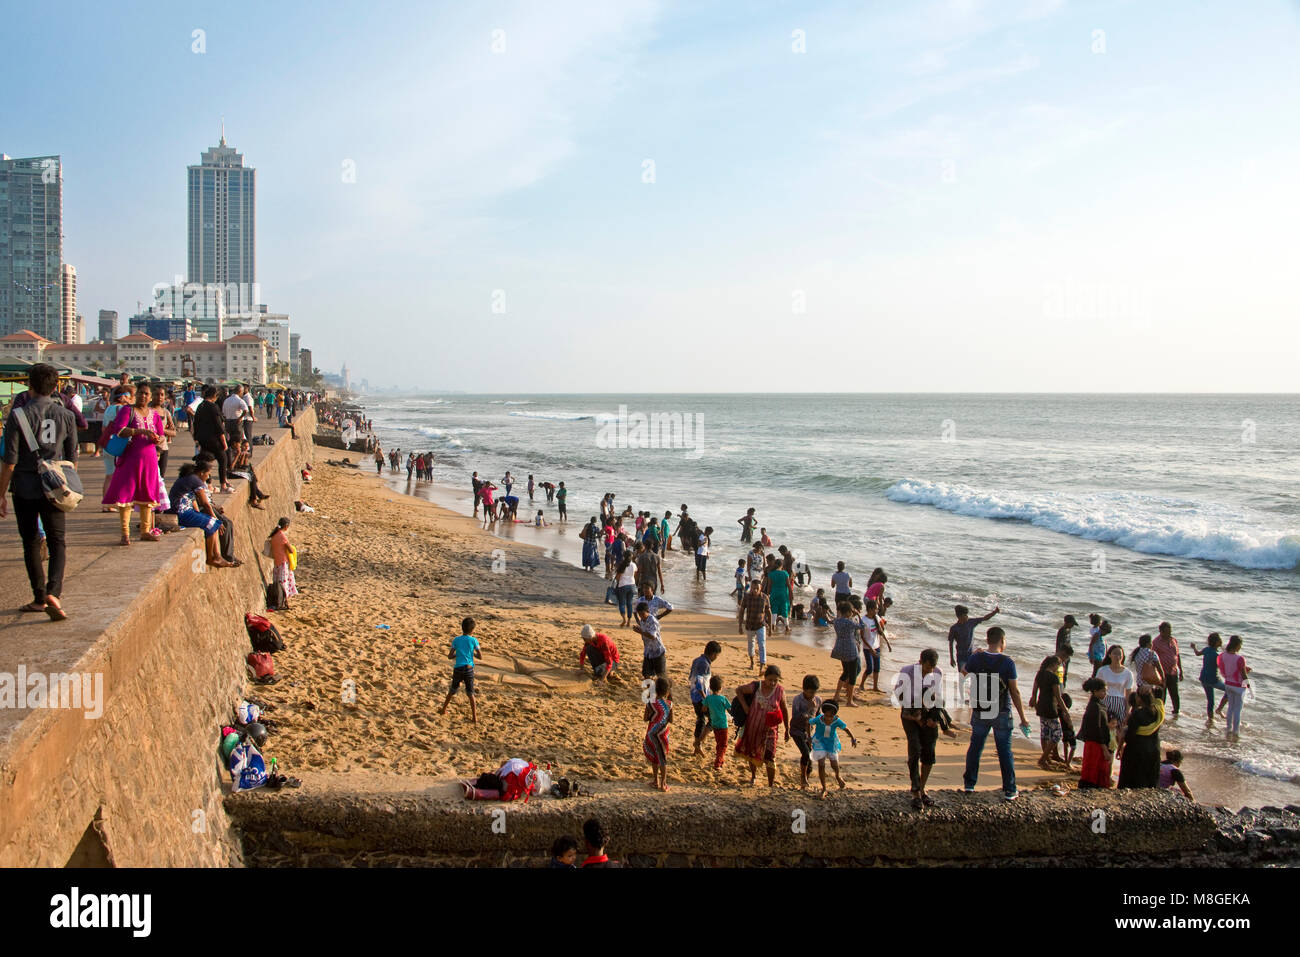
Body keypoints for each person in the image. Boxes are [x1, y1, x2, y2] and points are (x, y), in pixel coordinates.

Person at [0, 363, 77, 620]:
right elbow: (71, 458)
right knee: (58, 540)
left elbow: (9, 460)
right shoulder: (65, 415)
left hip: (24, 486)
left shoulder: (18, 415)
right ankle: (54, 592)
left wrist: (1, 494)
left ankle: (39, 597)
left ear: (29, 386)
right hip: (55, 487)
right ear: (56, 387)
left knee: (31, 541)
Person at [961, 627, 1031, 801]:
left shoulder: (977, 657)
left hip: (980, 709)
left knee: (975, 747)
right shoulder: (1008, 663)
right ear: (1002, 641)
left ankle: (969, 784)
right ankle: (1010, 789)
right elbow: (1014, 692)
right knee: (1004, 751)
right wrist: (1023, 717)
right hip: (1001, 710)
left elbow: (964, 672)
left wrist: (974, 658)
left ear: (987, 640)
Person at [103, 383, 165, 545]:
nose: (143, 396)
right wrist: (140, 431)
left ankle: (145, 531)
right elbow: (120, 430)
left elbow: (161, 433)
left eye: (146, 394)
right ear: (135, 395)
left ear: (150, 397)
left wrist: (157, 438)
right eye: (141, 393)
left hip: (149, 458)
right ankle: (125, 533)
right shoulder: (127, 411)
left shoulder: (154, 414)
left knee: (147, 493)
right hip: (130, 458)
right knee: (126, 494)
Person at [895, 649, 955, 809]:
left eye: (932, 668)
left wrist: (934, 719)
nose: (930, 671)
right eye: (928, 667)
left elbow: (939, 697)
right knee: (914, 749)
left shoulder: (938, 673)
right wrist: (915, 709)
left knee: (929, 752)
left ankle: (922, 788)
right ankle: (915, 790)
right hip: (910, 712)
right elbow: (899, 695)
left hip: (929, 712)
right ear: (920, 662)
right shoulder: (907, 671)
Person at [172, 460, 236, 568]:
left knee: (213, 523)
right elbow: (205, 504)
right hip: (181, 512)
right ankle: (211, 558)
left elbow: (193, 501)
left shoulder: (190, 478)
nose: (208, 476)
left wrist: (201, 517)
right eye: (208, 473)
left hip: (184, 510)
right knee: (212, 524)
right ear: (201, 473)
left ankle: (217, 556)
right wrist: (215, 519)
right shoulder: (196, 480)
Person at [734, 665, 789, 787]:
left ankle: (771, 785)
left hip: (770, 730)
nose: (773, 683)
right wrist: (745, 706)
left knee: (770, 757)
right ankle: (753, 776)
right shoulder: (756, 686)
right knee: (752, 753)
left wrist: (787, 728)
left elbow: (784, 709)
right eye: (770, 680)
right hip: (753, 727)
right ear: (765, 678)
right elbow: (739, 690)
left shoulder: (780, 691)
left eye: (776, 680)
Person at [1117, 688, 1165, 788]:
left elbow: (1130, 736)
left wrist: (1121, 745)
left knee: (1134, 780)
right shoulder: (1158, 712)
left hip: (1137, 750)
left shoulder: (1137, 714)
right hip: (1154, 748)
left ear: (1139, 698)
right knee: (1149, 780)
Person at [809, 700, 857, 797]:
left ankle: (838, 776)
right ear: (823, 714)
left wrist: (852, 738)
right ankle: (824, 788)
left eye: (830, 716)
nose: (828, 718)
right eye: (826, 716)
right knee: (821, 764)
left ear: (834, 716)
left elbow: (846, 729)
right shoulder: (819, 719)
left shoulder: (836, 721)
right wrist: (809, 736)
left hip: (831, 743)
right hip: (819, 742)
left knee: (834, 764)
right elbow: (809, 723)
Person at [438, 617, 482, 723]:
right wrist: (472, 653)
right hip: (469, 669)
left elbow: (450, 656)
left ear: (462, 628)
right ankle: (474, 717)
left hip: (458, 668)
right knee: (470, 693)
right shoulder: (473, 640)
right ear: (473, 630)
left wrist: (457, 654)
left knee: (452, 690)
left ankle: (443, 709)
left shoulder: (456, 640)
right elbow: (480, 656)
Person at [1077, 677, 1117, 789]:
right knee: (1094, 769)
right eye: (1103, 691)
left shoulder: (1098, 705)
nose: (1105, 693)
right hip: (1095, 744)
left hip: (1095, 743)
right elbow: (1097, 729)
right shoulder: (1095, 707)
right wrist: (1104, 748)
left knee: (1093, 769)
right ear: (1095, 691)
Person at [1029, 655, 1068, 769]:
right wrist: (1066, 711)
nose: (1058, 668)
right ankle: (1043, 759)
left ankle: (1047, 758)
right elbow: (1058, 697)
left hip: (1041, 705)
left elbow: (1034, 692)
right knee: (1057, 734)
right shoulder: (1053, 678)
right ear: (1053, 664)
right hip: (1050, 707)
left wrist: (1035, 703)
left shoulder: (1039, 674)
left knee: (1045, 733)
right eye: (1058, 665)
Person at [192, 385, 233, 493]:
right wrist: (224, 442)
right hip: (214, 439)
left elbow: (195, 423)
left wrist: (196, 439)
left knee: (207, 461)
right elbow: (218, 426)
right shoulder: (213, 407)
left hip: (202, 438)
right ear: (215, 396)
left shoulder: (200, 406)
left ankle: (208, 484)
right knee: (223, 459)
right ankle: (223, 484)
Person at [688, 641, 722, 756]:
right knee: (714, 718)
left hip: (694, 696)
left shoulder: (696, 660)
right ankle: (698, 742)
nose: (716, 658)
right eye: (717, 655)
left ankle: (698, 746)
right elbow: (699, 682)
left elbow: (692, 678)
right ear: (713, 654)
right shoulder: (705, 664)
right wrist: (706, 700)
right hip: (701, 698)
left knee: (700, 720)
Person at [789, 675, 821, 790]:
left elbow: (819, 716)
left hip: (809, 733)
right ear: (804, 690)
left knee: (810, 758)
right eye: (810, 692)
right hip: (797, 731)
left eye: (814, 693)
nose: (812, 695)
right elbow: (795, 717)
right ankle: (803, 778)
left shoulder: (818, 700)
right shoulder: (798, 700)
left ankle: (804, 784)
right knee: (806, 753)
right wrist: (808, 709)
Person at [947, 604, 1000, 673]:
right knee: (963, 676)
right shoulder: (954, 628)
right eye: (965, 615)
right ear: (959, 616)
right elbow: (950, 643)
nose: (967, 616)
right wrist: (952, 658)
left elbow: (984, 618)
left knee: (974, 675)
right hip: (961, 656)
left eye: (967, 615)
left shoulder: (971, 622)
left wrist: (994, 612)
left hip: (972, 654)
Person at [829, 601, 862, 706]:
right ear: (848, 611)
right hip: (851, 649)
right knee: (852, 675)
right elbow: (862, 626)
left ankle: (837, 695)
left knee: (845, 672)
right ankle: (849, 700)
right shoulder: (849, 622)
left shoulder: (837, 621)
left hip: (840, 648)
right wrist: (859, 615)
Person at [856, 598, 892, 694]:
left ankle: (875, 687)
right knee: (869, 668)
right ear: (870, 609)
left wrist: (887, 643)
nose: (877, 610)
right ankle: (861, 684)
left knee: (877, 668)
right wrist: (870, 648)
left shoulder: (876, 617)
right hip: (868, 648)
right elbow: (862, 636)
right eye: (876, 609)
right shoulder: (864, 620)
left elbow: (881, 631)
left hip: (877, 646)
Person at [1099, 645, 1134, 742]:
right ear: (1109, 655)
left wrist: (1127, 711)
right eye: (1115, 653)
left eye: (1120, 654)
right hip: (1104, 702)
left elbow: (1128, 694)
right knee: (1103, 729)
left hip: (1120, 704)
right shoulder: (1103, 670)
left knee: (1118, 731)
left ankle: (1114, 753)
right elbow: (1096, 689)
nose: (1117, 656)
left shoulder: (1128, 673)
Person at [1217, 635, 1250, 739]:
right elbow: (1243, 674)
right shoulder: (1240, 658)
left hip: (1228, 684)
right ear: (1237, 645)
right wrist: (1248, 685)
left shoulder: (1223, 655)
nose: (1241, 647)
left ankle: (1228, 728)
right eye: (1240, 645)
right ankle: (1236, 731)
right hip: (1239, 687)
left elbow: (1225, 667)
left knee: (1230, 707)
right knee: (1237, 710)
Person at [737, 578, 773, 673]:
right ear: (751, 588)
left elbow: (769, 613)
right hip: (749, 625)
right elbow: (741, 611)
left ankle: (762, 665)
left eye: (757, 588)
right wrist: (740, 625)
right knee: (751, 645)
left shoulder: (765, 598)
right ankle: (752, 662)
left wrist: (770, 627)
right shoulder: (747, 597)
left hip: (761, 625)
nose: (755, 590)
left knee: (762, 645)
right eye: (753, 588)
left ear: (760, 588)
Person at [643, 676, 672, 791]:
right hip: (663, 733)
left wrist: (653, 716)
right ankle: (663, 784)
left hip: (651, 732)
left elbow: (645, 718)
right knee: (662, 759)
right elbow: (671, 720)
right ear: (667, 691)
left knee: (654, 758)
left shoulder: (650, 702)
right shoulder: (669, 704)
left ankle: (656, 780)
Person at [1190, 633, 1226, 723]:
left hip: (1204, 678)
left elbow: (1197, 654)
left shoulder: (1206, 650)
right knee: (1229, 690)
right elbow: (1223, 668)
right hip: (1213, 680)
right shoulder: (1217, 655)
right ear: (1217, 642)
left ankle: (1211, 719)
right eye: (1219, 640)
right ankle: (1219, 709)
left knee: (1210, 700)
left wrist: (1194, 647)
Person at [1153, 622, 1184, 716]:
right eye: (1166, 632)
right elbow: (1153, 659)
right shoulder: (1156, 642)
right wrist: (1156, 673)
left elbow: (1177, 655)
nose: (1169, 633)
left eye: (1170, 631)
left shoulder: (1173, 640)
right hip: (1162, 673)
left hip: (1173, 672)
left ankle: (1176, 714)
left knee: (1175, 695)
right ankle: (1160, 714)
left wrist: (1181, 670)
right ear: (1161, 631)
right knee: (1162, 695)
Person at [632, 601, 667, 679]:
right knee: (646, 673)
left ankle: (665, 690)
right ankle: (650, 689)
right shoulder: (642, 620)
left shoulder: (653, 621)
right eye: (639, 615)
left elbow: (652, 636)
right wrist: (639, 629)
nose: (641, 616)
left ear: (648, 612)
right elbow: (645, 631)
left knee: (661, 675)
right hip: (648, 651)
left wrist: (641, 632)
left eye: (643, 614)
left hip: (657, 651)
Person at [268, 516, 299, 606]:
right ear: (286, 526)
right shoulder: (282, 536)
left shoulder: (274, 535)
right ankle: (284, 600)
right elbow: (290, 550)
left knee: (277, 581)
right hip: (283, 562)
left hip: (276, 561)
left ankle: (278, 598)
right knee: (283, 582)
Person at [704, 676, 731, 770]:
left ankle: (720, 760)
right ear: (720, 688)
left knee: (719, 743)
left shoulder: (708, 698)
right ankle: (718, 763)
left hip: (714, 724)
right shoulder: (723, 699)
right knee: (723, 744)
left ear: (710, 687)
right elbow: (730, 710)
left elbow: (703, 708)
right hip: (723, 724)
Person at [764, 557, 793, 635]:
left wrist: (767, 595)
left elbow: (769, 586)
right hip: (783, 594)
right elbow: (789, 586)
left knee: (774, 610)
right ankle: (787, 626)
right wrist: (791, 595)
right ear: (782, 565)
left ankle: (772, 625)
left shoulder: (771, 574)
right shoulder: (785, 573)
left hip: (774, 594)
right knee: (784, 610)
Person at [613, 554, 638, 627]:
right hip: (632, 585)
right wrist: (634, 582)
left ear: (624, 557)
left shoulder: (621, 565)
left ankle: (624, 619)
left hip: (623, 585)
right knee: (629, 603)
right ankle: (629, 621)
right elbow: (635, 574)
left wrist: (618, 583)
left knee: (622, 603)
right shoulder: (633, 565)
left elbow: (618, 577)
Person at [1055, 615, 1078, 682]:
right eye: (1072, 624)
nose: (1072, 626)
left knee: (1064, 674)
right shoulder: (1062, 631)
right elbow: (1060, 645)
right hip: (1061, 655)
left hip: (1066, 655)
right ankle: (1060, 687)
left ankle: (1062, 688)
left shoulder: (1068, 630)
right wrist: (1061, 656)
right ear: (1067, 622)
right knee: (1060, 674)